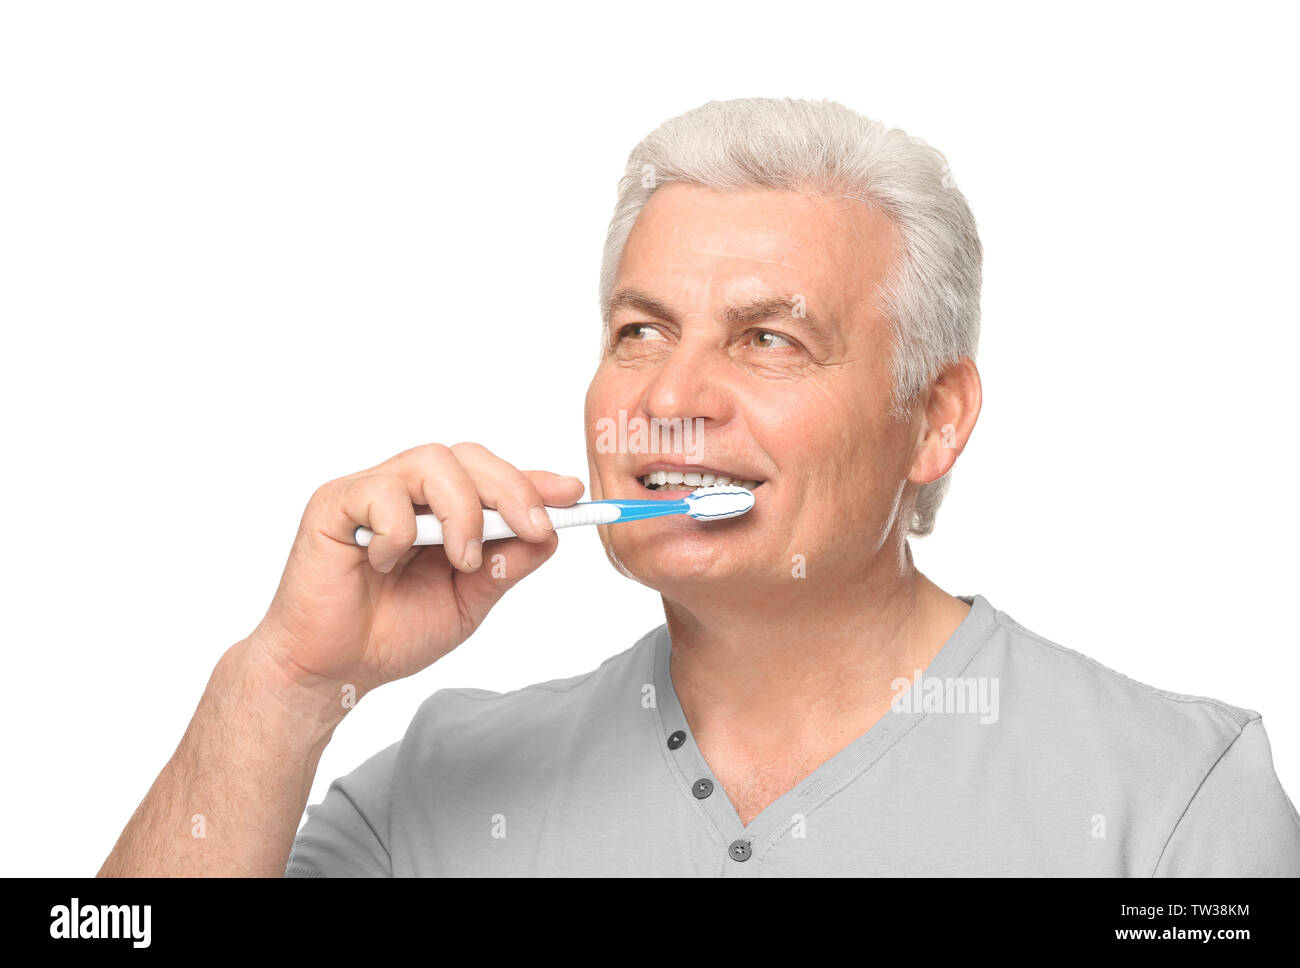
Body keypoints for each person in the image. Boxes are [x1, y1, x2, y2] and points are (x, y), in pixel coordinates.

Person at [98, 97, 1300, 877]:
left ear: (933, 421)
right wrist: (290, 679)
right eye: (638, 329)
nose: (671, 398)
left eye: (768, 338)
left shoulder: (1175, 801)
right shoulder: (437, 787)